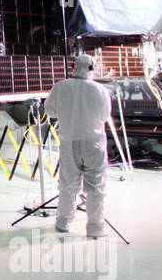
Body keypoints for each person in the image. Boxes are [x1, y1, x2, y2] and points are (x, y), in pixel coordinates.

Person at [45, 54, 112, 238]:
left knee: (67, 184)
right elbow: (104, 115)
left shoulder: (60, 87)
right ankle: (95, 228)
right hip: (94, 143)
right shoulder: (100, 90)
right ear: (91, 68)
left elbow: (50, 110)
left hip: (69, 141)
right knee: (96, 186)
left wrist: (68, 113)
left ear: (74, 66)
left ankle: (63, 222)